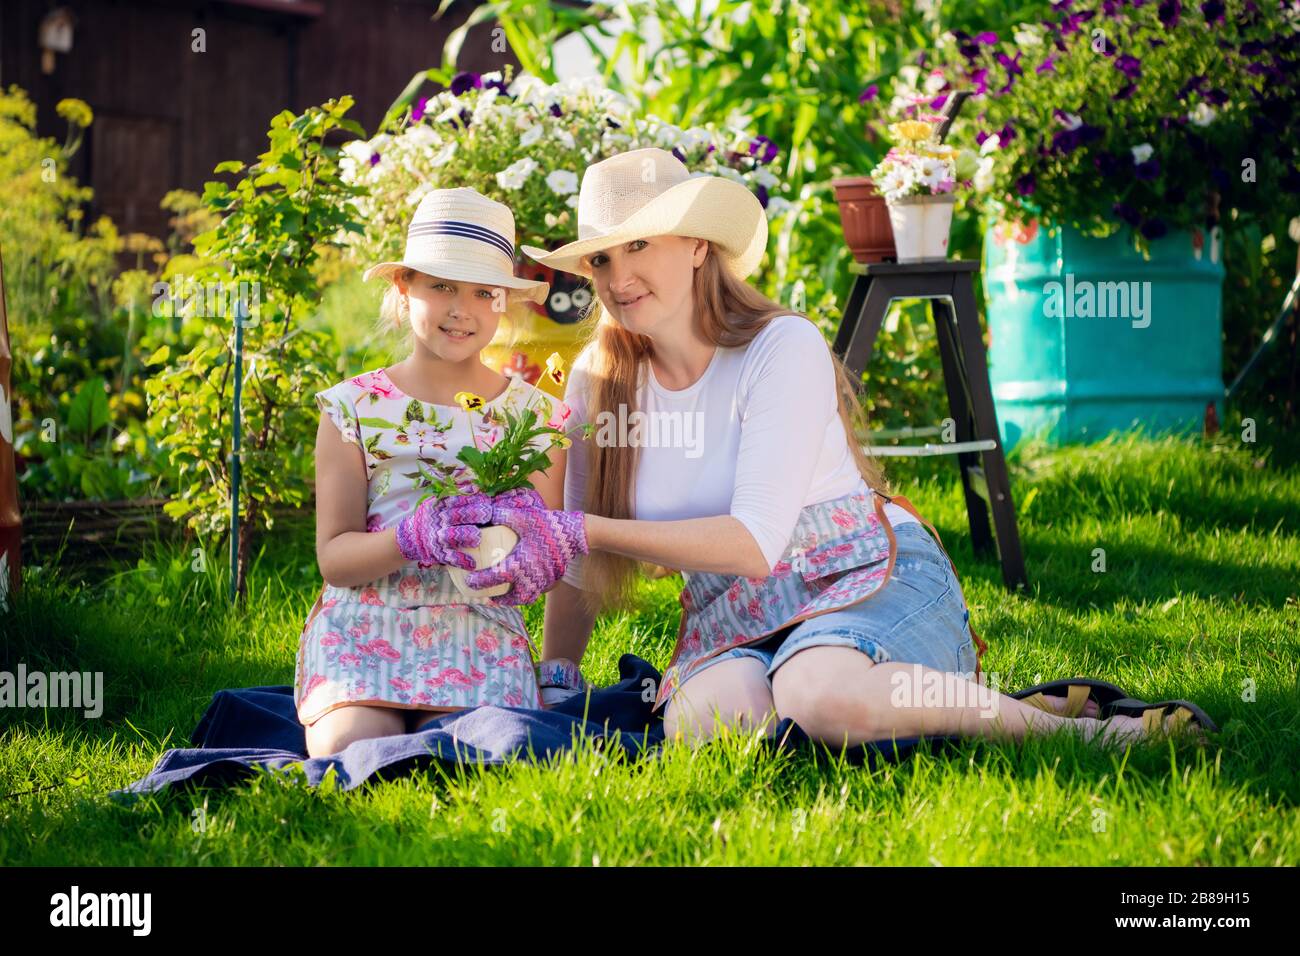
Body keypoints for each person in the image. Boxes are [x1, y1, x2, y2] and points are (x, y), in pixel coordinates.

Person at [449, 148, 1208, 750]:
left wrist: (575, 529)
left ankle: (1076, 731)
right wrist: (558, 678)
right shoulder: (600, 377)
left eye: (638, 245)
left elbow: (752, 542)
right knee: (713, 729)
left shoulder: (782, 345)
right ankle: (905, 706)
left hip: (857, 571)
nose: (617, 277)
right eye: (602, 260)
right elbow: (579, 567)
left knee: (820, 697)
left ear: (697, 247)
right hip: (732, 612)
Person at [295, 187, 575, 758]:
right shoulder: (354, 409)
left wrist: (523, 543)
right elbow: (335, 559)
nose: (460, 309)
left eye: (483, 292)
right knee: (350, 750)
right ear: (404, 286)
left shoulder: (537, 418)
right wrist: (411, 537)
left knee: (476, 751)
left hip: (480, 626)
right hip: (364, 623)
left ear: (504, 302)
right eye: (441, 285)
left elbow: (545, 559)